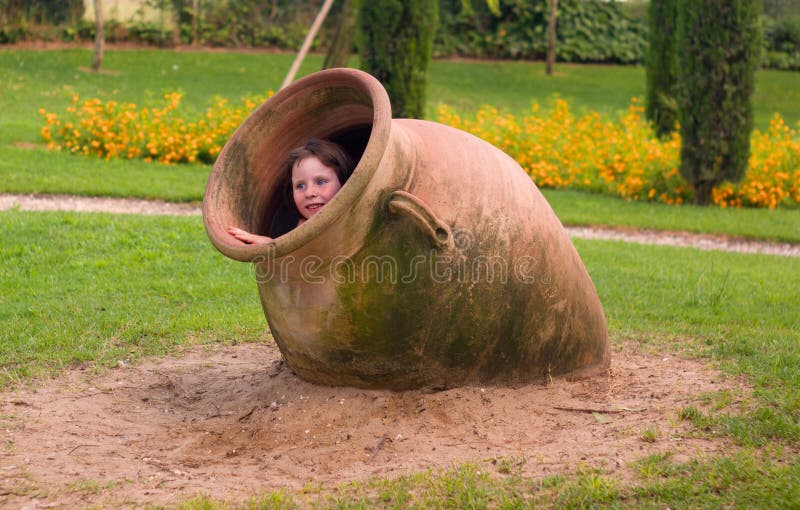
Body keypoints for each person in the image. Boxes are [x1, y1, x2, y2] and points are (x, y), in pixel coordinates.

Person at [228, 138, 355, 245]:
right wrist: (271, 245)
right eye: (300, 186)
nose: (309, 193)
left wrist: (273, 247)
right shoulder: (290, 227)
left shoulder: (357, 219)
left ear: (344, 182)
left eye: (321, 182)